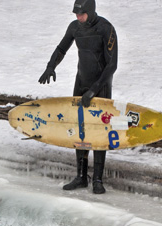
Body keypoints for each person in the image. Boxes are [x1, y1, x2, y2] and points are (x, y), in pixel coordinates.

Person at [38, 0, 118, 195]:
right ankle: (81, 176)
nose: (78, 18)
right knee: (80, 128)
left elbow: (112, 65)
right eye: (76, 14)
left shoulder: (105, 28)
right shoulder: (75, 27)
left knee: (99, 130)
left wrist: (95, 90)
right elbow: (61, 48)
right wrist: (50, 66)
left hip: (100, 87)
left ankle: (98, 179)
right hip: (81, 83)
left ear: (90, 12)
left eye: (81, 14)